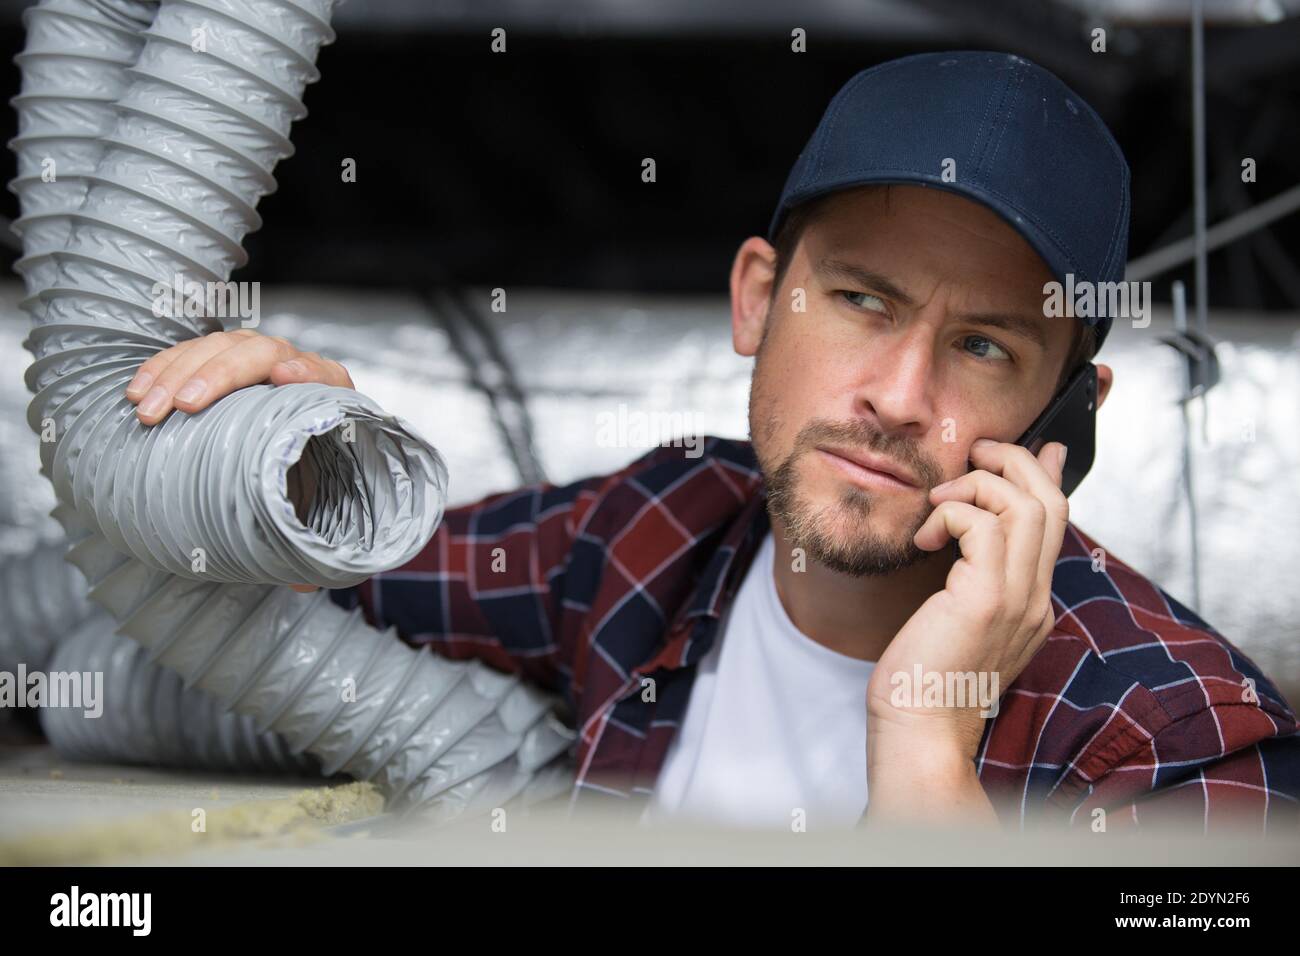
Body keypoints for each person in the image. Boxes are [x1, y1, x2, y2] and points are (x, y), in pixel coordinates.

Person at [124, 51, 1300, 832]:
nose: (895, 395)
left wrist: (926, 737)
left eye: (984, 346)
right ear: (756, 300)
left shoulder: (1182, 736)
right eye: (862, 302)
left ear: (1069, 412)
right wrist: (294, 470)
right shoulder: (658, 528)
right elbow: (289, 614)